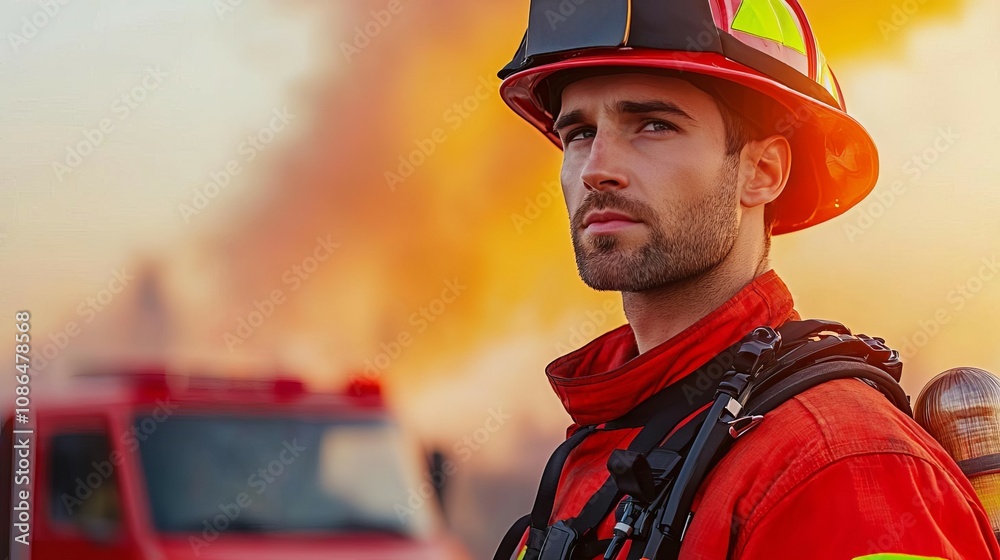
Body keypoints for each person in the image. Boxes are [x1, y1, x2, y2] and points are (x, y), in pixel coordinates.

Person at [493, 0, 1000, 558]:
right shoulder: (613, 441)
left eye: (654, 125)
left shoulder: (842, 465)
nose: (595, 169)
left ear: (762, 173)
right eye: (580, 133)